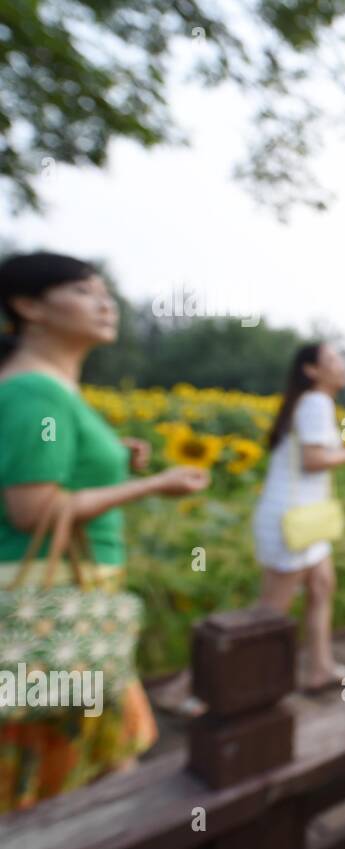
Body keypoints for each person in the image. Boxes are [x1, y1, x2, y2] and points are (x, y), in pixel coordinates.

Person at [0, 252, 210, 813]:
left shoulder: (50, 390)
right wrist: (154, 486)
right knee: (67, 775)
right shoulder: (34, 392)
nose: (104, 302)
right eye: (83, 290)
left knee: (91, 761)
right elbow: (31, 508)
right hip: (48, 613)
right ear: (27, 307)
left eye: (106, 292)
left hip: (69, 609)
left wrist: (116, 458)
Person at [253, 343, 345, 692]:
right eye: (333, 359)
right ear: (311, 370)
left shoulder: (313, 402)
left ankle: (320, 668)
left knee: (322, 585)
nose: (342, 365)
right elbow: (313, 460)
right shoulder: (316, 402)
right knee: (269, 612)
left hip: (306, 519)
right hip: (292, 521)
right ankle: (194, 684)